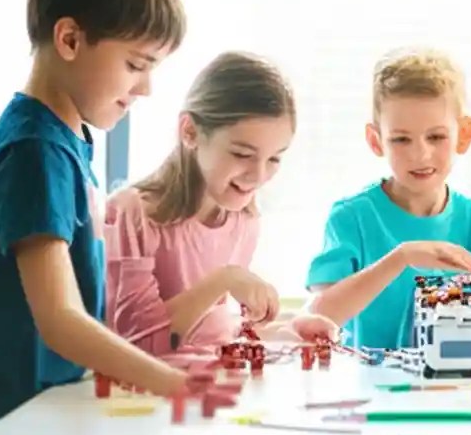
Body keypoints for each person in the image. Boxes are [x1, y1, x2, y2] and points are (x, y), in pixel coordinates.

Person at [0, 0, 190, 435]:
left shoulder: (69, 139)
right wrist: (174, 384)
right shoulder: (34, 152)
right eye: (136, 64)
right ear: (70, 40)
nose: (145, 88)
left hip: (32, 414)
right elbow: (59, 319)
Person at [105, 52, 336, 355]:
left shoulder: (243, 220)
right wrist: (223, 280)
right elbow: (137, 344)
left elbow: (213, 333)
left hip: (208, 391)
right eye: (242, 154)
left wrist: (288, 330)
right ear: (189, 132)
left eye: (275, 158)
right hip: (147, 397)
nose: (259, 175)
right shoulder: (132, 214)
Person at [305, 48, 471, 348]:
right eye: (401, 139)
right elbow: (318, 317)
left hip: (452, 386)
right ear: (376, 141)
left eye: (436, 137)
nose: (420, 154)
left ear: (463, 135)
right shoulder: (351, 218)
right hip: (368, 389)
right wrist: (402, 258)